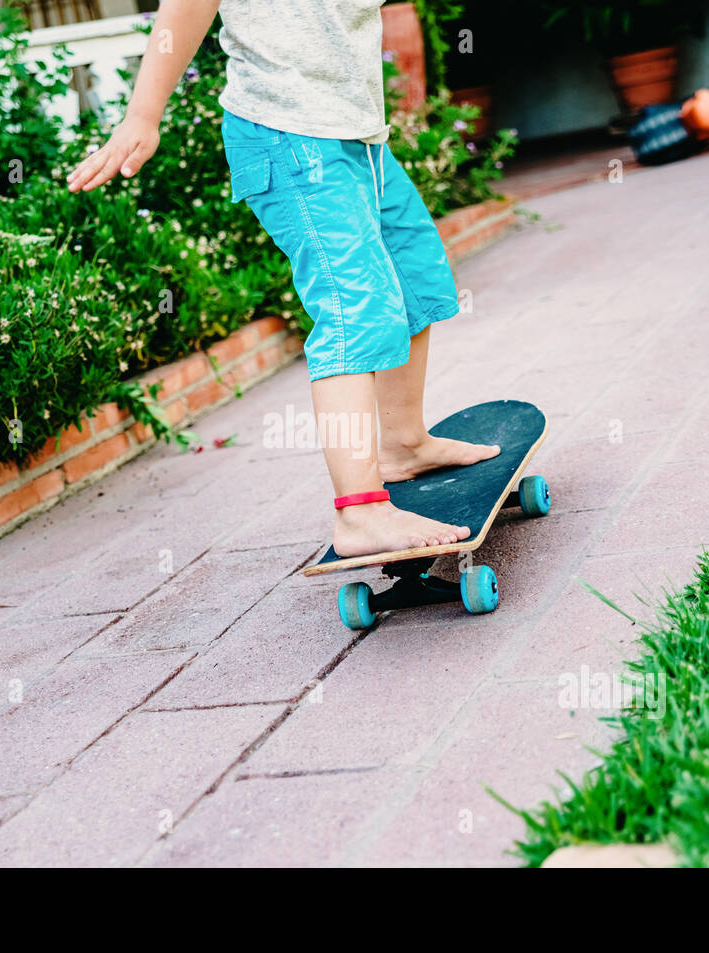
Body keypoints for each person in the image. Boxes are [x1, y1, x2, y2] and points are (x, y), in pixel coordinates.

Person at [67, 1, 499, 558]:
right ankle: (360, 511)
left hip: (358, 135)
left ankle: (403, 444)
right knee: (354, 306)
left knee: (415, 276)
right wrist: (142, 116)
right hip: (289, 134)